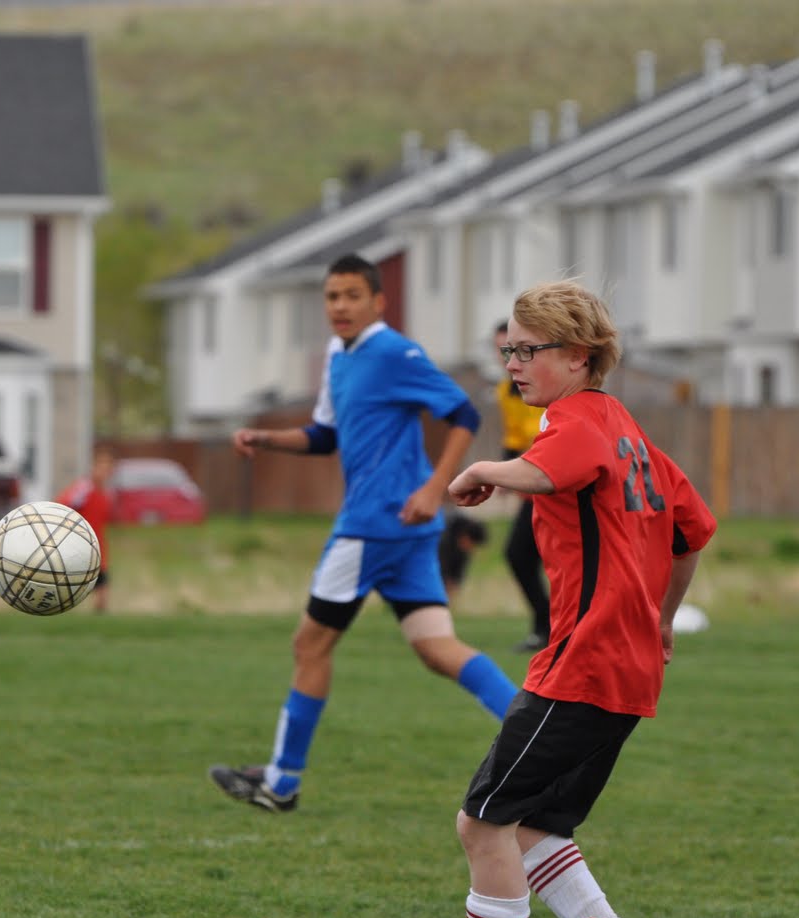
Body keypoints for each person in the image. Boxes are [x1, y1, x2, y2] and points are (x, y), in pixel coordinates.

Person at [429, 281, 715, 918]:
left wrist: (487, 471)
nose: (515, 363)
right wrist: (660, 617)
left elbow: (548, 469)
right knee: (532, 824)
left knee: (483, 823)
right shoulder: (629, 431)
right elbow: (692, 531)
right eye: (509, 349)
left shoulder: (579, 422)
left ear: (580, 356)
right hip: (622, 668)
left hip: (584, 667)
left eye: (529, 350)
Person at [208, 253, 519, 812]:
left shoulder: (393, 351)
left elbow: (464, 414)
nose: (341, 306)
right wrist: (268, 438)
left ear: (378, 301)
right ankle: (533, 736)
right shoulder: (338, 355)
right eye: (332, 297)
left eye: (353, 295)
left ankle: (281, 782)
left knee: (309, 643)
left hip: (372, 528)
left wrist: (435, 489)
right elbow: (326, 435)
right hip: (402, 532)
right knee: (436, 648)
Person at [493, 320, 552, 652]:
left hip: (554, 482)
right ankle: (545, 628)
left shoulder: (547, 386)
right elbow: (513, 438)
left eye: (518, 350)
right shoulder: (506, 391)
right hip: (533, 484)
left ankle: (556, 632)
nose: (510, 360)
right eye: (504, 350)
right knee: (519, 555)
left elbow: (551, 436)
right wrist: (504, 473)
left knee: (554, 559)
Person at [57, 446, 116, 613]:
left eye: (108, 469)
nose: (104, 472)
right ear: (94, 468)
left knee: (102, 594)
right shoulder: (84, 489)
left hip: (98, 550)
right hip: (77, 548)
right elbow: (62, 507)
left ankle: (98, 625)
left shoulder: (106, 493)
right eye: (101, 468)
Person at [438, 510, 489, 597]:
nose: (471, 549)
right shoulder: (443, 537)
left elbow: (458, 574)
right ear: (465, 537)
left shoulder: (463, 548)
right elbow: (441, 566)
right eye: (472, 544)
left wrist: (454, 584)